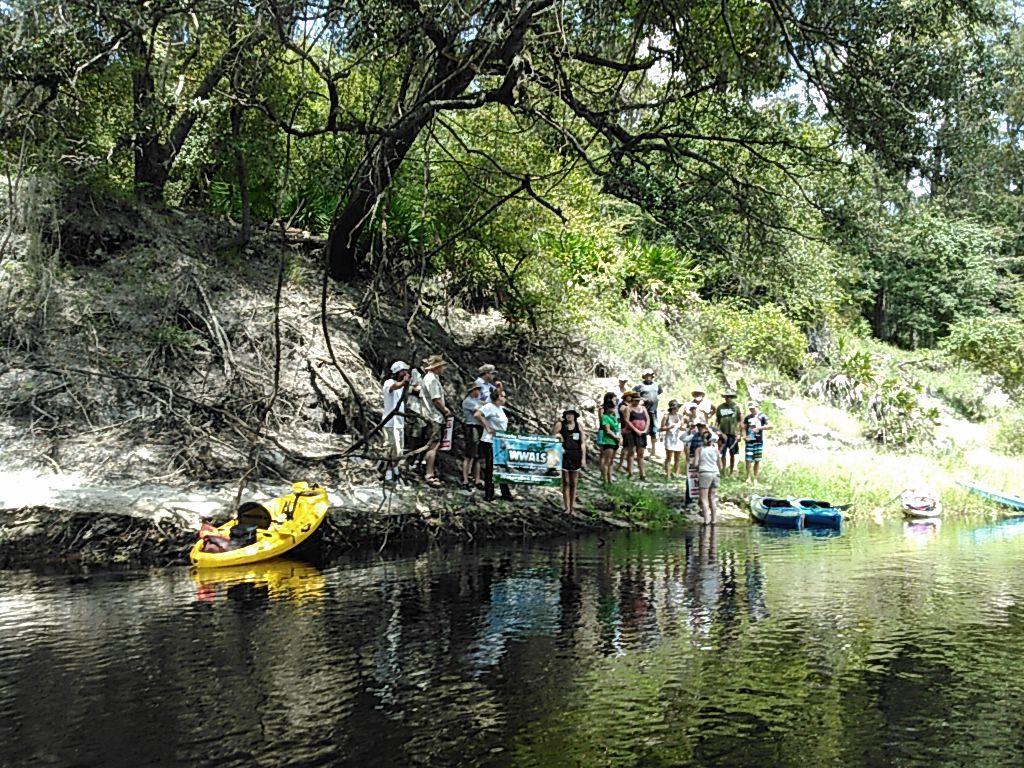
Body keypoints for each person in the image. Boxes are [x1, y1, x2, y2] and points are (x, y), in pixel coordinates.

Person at [475, 389, 514, 502]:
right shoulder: (489, 407)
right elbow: (478, 414)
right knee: (491, 467)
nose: (505, 399)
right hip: (490, 441)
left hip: (501, 441)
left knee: (502, 467)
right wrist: (486, 427)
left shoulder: (501, 409)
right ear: (498, 397)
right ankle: (489, 493)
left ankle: (505, 492)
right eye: (503, 396)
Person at [419, 354, 451, 487]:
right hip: (434, 416)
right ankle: (429, 474)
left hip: (430, 415)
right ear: (437, 367)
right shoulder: (431, 379)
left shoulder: (431, 378)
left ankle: (426, 468)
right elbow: (436, 399)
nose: (443, 368)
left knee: (431, 444)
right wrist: (445, 410)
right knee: (433, 445)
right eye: (442, 366)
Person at [381, 361, 411, 483]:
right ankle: (389, 473)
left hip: (399, 422)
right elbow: (393, 387)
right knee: (390, 449)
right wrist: (404, 382)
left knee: (398, 450)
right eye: (404, 371)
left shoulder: (402, 386)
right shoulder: (389, 383)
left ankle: (395, 470)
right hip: (390, 423)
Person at [554, 409, 587, 515]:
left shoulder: (578, 426)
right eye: (567, 415)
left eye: (571, 415)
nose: (569, 416)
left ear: (575, 416)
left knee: (573, 482)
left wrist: (583, 458)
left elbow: (582, 443)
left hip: (576, 454)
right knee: (566, 481)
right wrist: (560, 446)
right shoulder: (561, 425)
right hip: (564, 454)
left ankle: (572, 507)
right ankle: (566, 507)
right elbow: (554, 437)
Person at [694, 427, 721, 523]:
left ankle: (706, 520)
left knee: (704, 498)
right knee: (712, 498)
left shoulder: (699, 450)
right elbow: (720, 465)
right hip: (716, 473)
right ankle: (714, 520)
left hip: (705, 473)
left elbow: (696, 464)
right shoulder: (716, 450)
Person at [635, 368, 662, 458]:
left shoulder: (657, 385)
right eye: (646, 375)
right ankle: (643, 450)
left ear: (652, 376)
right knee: (643, 429)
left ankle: (653, 451)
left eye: (650, 375)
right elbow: (634, 395)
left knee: (654, 430)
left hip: (653, 411)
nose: (648, 377)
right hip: (643, 411)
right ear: (644, 376)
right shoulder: (639, 386)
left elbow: (659, 393)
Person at [743, 401, 772, 483]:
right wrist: (744, 436)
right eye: (750, 409)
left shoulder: (762, 416)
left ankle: (755, 478)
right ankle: (748, 477)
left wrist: (759, 428)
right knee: (748, 459)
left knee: (757, 459)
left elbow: (770, 426)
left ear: (757, 407)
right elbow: (743, 428)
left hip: (758, 441)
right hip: (749, 441)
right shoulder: (747, 417)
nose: (752, 410)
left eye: (753, 408)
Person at [461, 383, 484, 489]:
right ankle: (465, 479)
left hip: (479, 427)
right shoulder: (468, 401)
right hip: (471, 427)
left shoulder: (477, 400)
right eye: (477, 390)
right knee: (469, 454)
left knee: (478, 454)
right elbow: (480, 412)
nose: (479, 392)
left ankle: (477, 478)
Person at [623, 392, 649, 481]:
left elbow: (648, 419)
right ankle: (630, 472)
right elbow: (627, 421)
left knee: (641, 453)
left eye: (638, 400)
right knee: (631, 452)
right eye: (635, 400)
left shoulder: (643, 408)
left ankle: (643, 474)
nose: (637, 402)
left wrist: (645, 430)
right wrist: (636, 430)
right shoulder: (628, 408)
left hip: (642, 433)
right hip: (631, 432)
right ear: (632, 400)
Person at [715, 390, 741, 475]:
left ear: (732, 397)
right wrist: (716, 431)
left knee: (732, 453)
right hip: (723, 433)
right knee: (722, 453)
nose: (728, 398)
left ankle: (731, 471)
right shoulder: (720, 407)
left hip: (733, 433)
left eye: (729, 396)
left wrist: (739, 433)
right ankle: (723, 471)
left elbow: (741, 420)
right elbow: (717, 420)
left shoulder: (736, 407)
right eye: (726, 396)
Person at [597, 394, 620, 484]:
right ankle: (604, 477)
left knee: (611, 461)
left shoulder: (613, 416)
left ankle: (609, 478)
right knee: (605, 458)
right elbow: (605, 427)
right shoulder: (604, 414)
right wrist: (615, 436)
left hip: (614, 440)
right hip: (606, 437)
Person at [660, 400, 685, 479]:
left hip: (678, 437)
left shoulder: (680, 416)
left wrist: (682, 428)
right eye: (676, 408)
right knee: (669, 457)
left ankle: (677, 474)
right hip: (670, 437)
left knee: (677, 457)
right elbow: (661, 428)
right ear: (672, 408)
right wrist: (669, 427)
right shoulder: (666, 416)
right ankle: (667, 474)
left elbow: (682, 427)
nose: (677, 409)